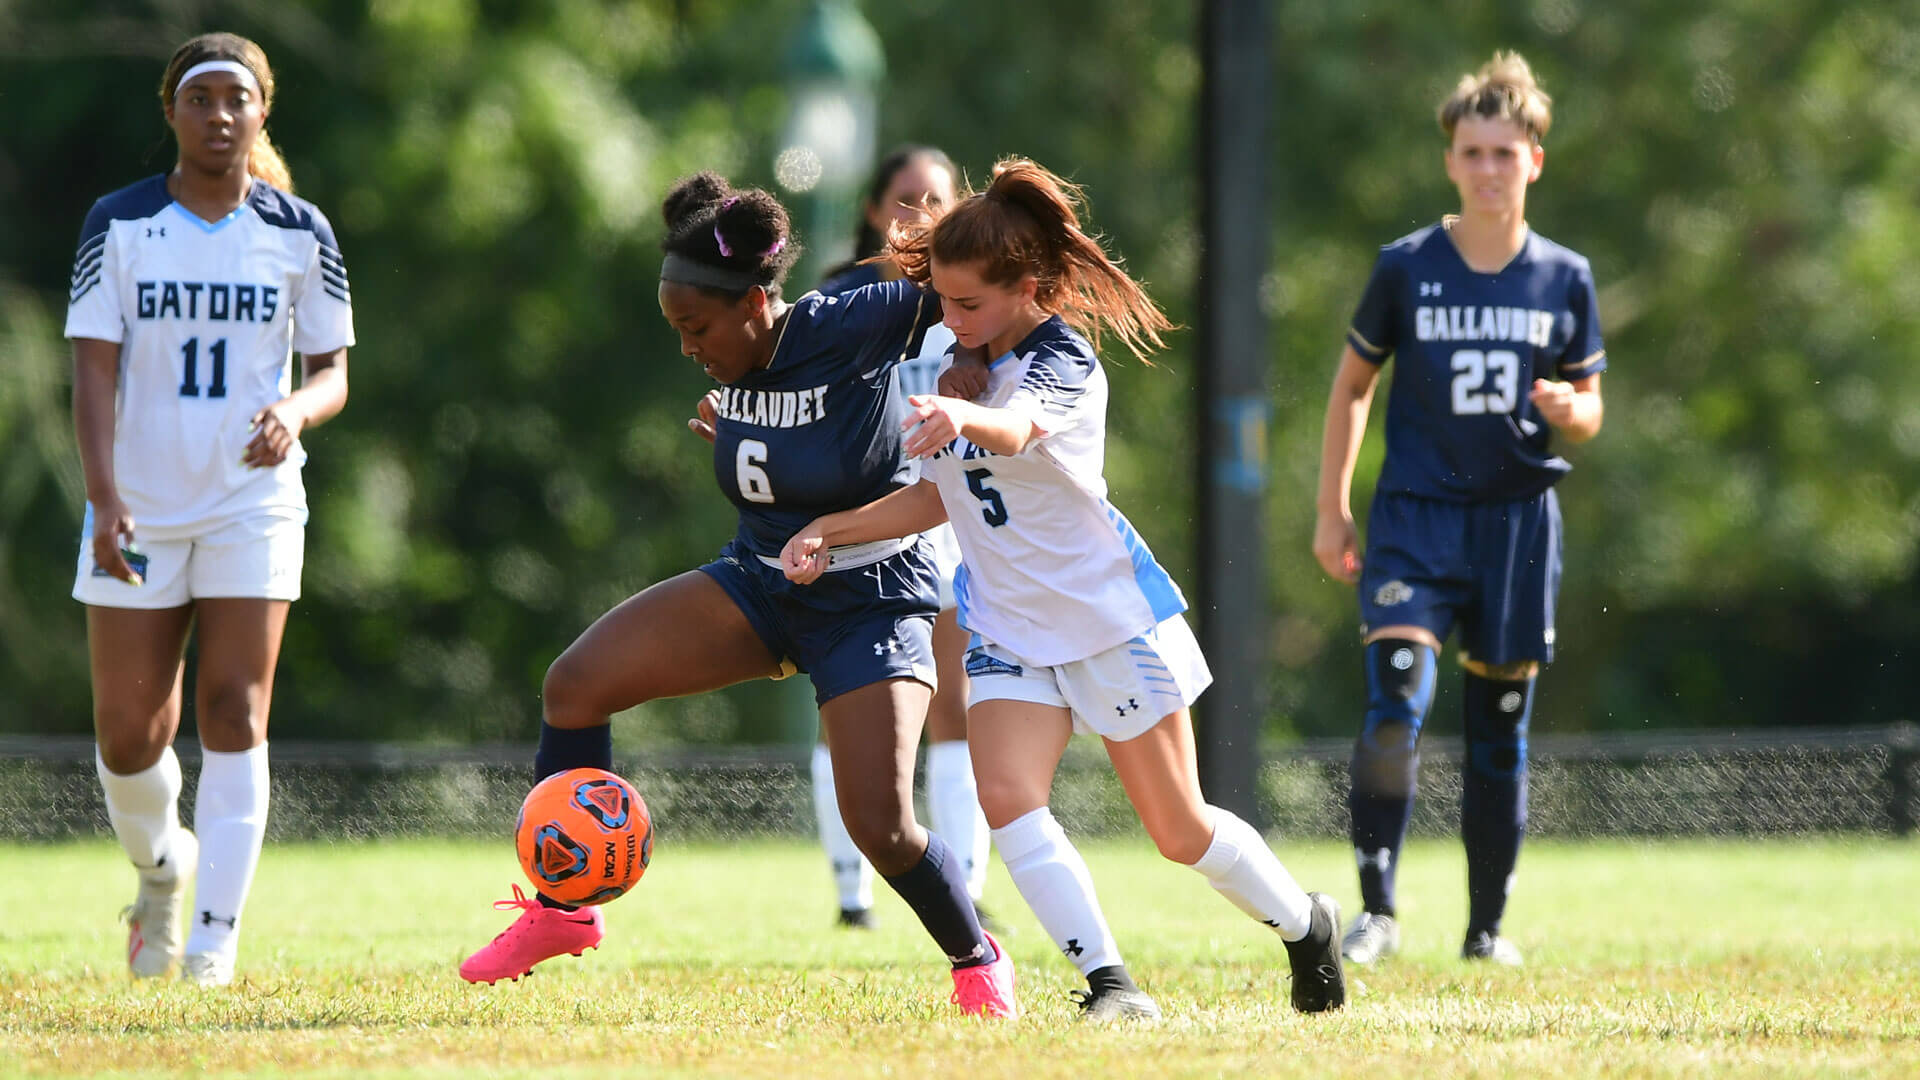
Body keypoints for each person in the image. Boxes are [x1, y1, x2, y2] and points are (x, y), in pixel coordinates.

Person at [780, 159, 1347, 1022]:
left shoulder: (1068, 363)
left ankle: (1308, 926)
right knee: (1007, 801)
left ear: (1029, 288)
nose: (949, 318)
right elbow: (944, 493)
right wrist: (832, 529)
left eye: (969, 304)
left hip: (1106, 619)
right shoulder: (948, 349)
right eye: (942, 299)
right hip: (1005, 623)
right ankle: (1111, 985)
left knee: (1179, 831)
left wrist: (963, 410)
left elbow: (1010, 433)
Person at [459, 171, 1017, 1020]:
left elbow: (968, 282)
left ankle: (977, 959)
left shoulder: (848, 321)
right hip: (762, 583)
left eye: (697, 327)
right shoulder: (738, 365)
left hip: (870, 595)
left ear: (758, 302)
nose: (688, 346)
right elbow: (793, 447)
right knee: (576, 685)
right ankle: (563, 912)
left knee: (882, 826)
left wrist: (978, 363)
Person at [66, 32, 353, 987]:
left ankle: (212, 947)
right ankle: (162, 869)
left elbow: (332, 374)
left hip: (253, 505)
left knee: (236, 709)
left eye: (238, 98)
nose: (220, 115)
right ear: (172, 112)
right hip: (139, 509)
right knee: (128, 737)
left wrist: (294, 411)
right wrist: (104, 500)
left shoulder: (300, 230)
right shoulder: (118, 225)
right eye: (202, 99)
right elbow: (92, 374)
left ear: (263, 111)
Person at [1311, 52, 1606, 968]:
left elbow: (1592, 405)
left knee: (1498, 727)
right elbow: (1354, 385)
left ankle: (1485, 931)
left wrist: (1573, 411)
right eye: (1471, 152)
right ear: (1450, 160)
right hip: (1415, 517)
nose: (1487, 169)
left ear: (1534, 162)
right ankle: (1378, 912)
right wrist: (1333, 508)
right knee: (1395, 701)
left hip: (1517, 524)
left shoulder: (1564, 278)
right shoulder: (1407, 267)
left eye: (1504, 153)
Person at [804, 145, 996, 932]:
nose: (920, 214)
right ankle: (853, 895)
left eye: (937, 200)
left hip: (950, 515)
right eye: (904, 199)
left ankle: (967, 890)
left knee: (958, 705)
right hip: (870, 519)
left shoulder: (971, 302)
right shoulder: (843, 300)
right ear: (875, 210)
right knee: (848, 705)